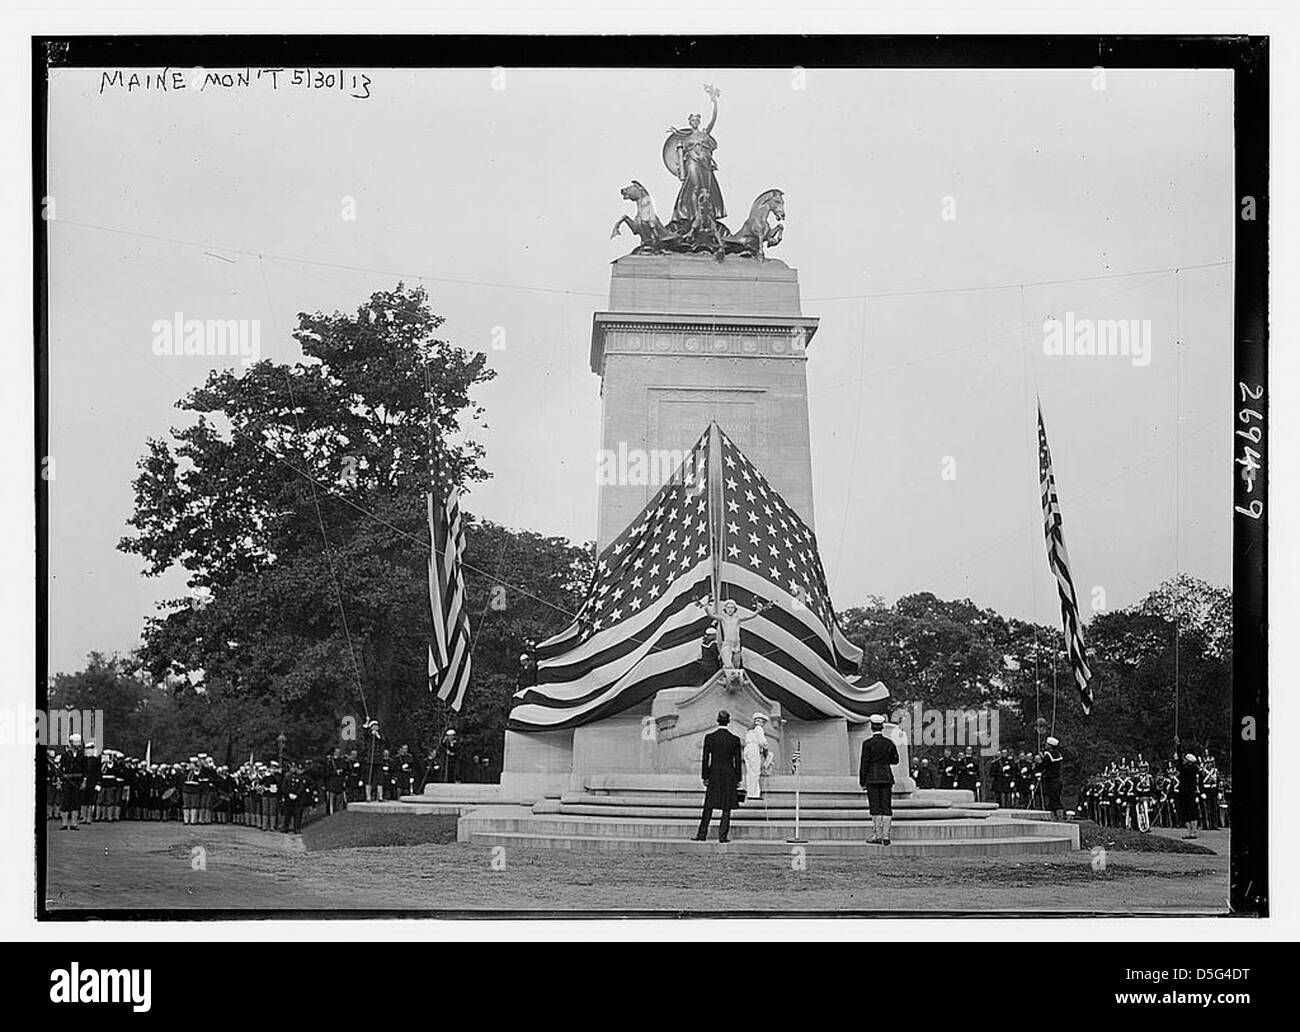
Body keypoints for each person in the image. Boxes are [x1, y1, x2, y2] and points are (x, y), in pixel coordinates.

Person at [695, 711, 742, 843]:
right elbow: (737, 761)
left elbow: (705, 758)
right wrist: (738, 779)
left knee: (708, 805)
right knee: (726, 807)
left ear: (717, 720)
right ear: (728, 721)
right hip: (729, 773)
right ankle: (723, 836)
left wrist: (705, 776)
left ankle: (702, 834)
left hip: (714, 772)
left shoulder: (710, 737)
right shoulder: (734, 739)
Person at [859, 714, 900, 845]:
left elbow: (864, 763)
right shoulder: (889, 743)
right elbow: (895, 760)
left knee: (875, 807)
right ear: (882, 727)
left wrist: (862, 781)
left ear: (872, 727)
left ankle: (878, 835)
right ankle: (886, 836)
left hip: (872, 777)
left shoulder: (867, 744)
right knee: (886, 806)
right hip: (887, 777)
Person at [58, 733, 88, 831]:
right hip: (67, 781)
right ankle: (64, 823)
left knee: (76, 802)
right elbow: (60, 770)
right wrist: (59, 781)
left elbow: (85, 770)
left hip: (77, 781)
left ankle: (74, 823)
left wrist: (84, 781)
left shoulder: (82, 756)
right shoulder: (65, 756)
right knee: (66, 802)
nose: (78, 745)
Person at [742, 713, 772, 799]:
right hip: (754, 749)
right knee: (755, 772)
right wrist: (766, 749)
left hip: (747, 749)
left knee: (750, 772)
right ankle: (754, 794)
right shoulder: (759, 729)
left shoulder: (750, 730)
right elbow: (762, 742)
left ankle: (751, 792)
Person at [1177, 752, 1202, 839]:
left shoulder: (1192, 769)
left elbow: (1180, 765)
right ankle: (1189, 831)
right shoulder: (1187, 768)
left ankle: (1193, 831)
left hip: (1191, 793)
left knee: (1192, 812)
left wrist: (1178, 748)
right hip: (1184, 793)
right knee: (1186, 813)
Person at [1040, 737, 1064, 819]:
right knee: (1054, 799)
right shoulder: (1058, 754)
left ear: (1049, 746)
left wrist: (1042, 759)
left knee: (1054, 800)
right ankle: (1055, 816)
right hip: (1057, 779)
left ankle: (1058, 817)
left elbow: (1043, 766)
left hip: (1051, 780)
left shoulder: (1048, 756)